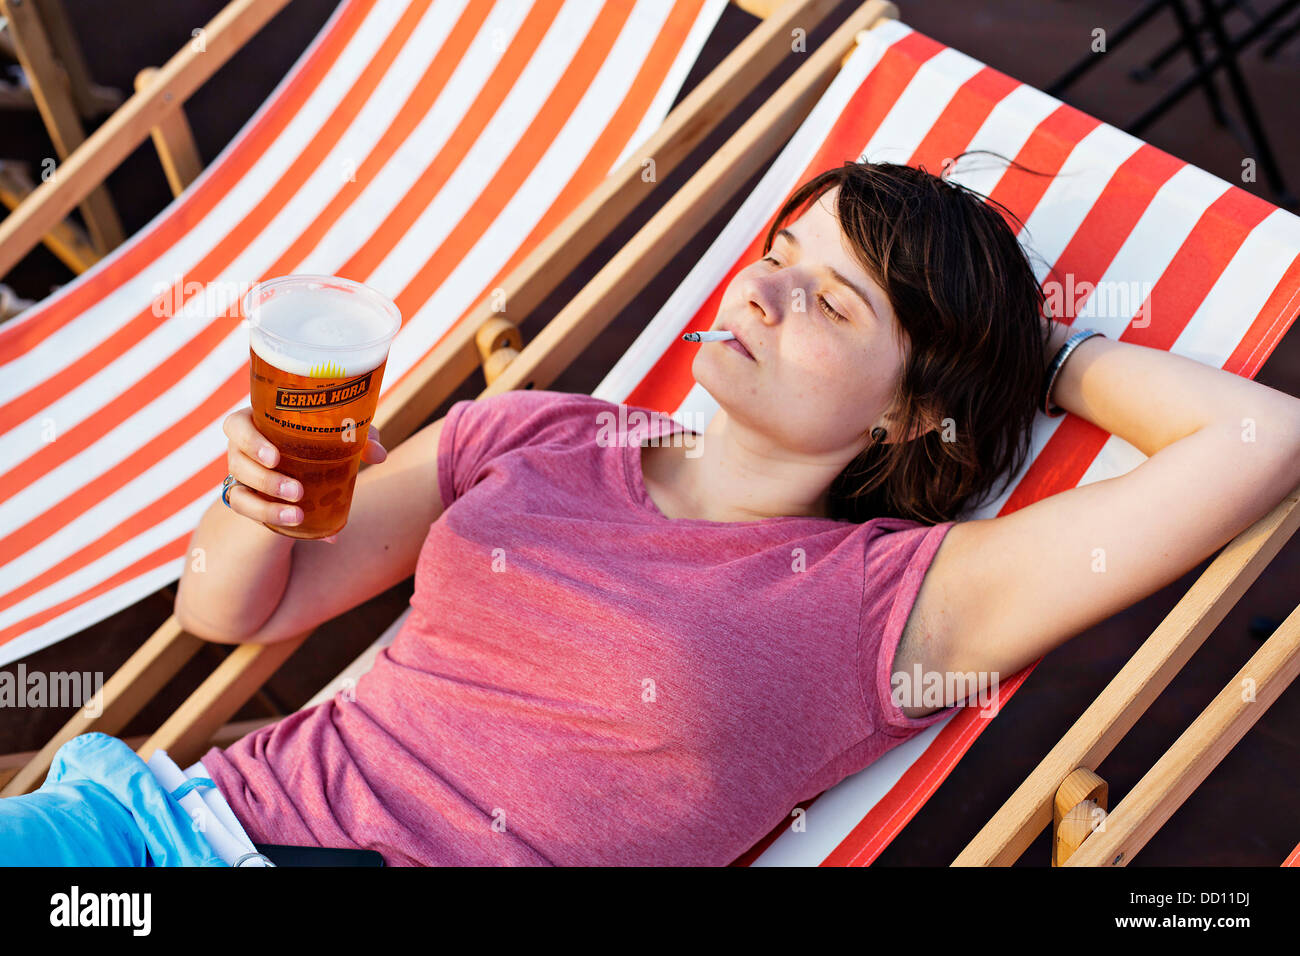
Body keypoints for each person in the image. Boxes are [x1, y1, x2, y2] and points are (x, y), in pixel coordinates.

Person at [9, 159, 1300, 865]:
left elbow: (1261, 437)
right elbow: (241, 609)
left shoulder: (899, 601)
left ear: (911, 413)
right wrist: (260, 496)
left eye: (835, 307)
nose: (764, 300)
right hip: (150, 834)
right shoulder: (539, 434)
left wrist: (1036, 353)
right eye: (776, 264)